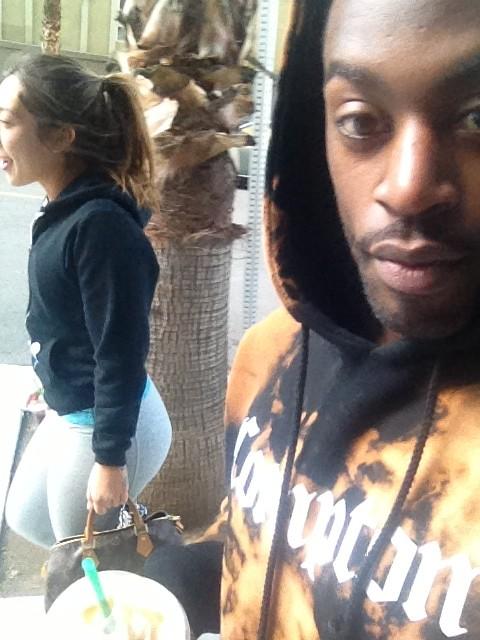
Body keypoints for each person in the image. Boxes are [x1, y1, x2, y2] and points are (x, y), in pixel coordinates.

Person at [144, 0, 480, 638]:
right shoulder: (272, 355)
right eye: (359, 120)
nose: (408, 187)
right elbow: (266, 535)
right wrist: (180, 578)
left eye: (477, 117)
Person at [3, 53, 171, 548]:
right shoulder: (65, 209)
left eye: (7, 122)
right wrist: (52, 377)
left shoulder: (101, 227)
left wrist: (111, 460)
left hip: (105, 424)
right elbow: (68, 320)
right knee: (28, 517)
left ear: (61, 137)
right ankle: (128, 539)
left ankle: (136, 556)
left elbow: (120, 352)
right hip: (73, 408)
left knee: (83, 561)